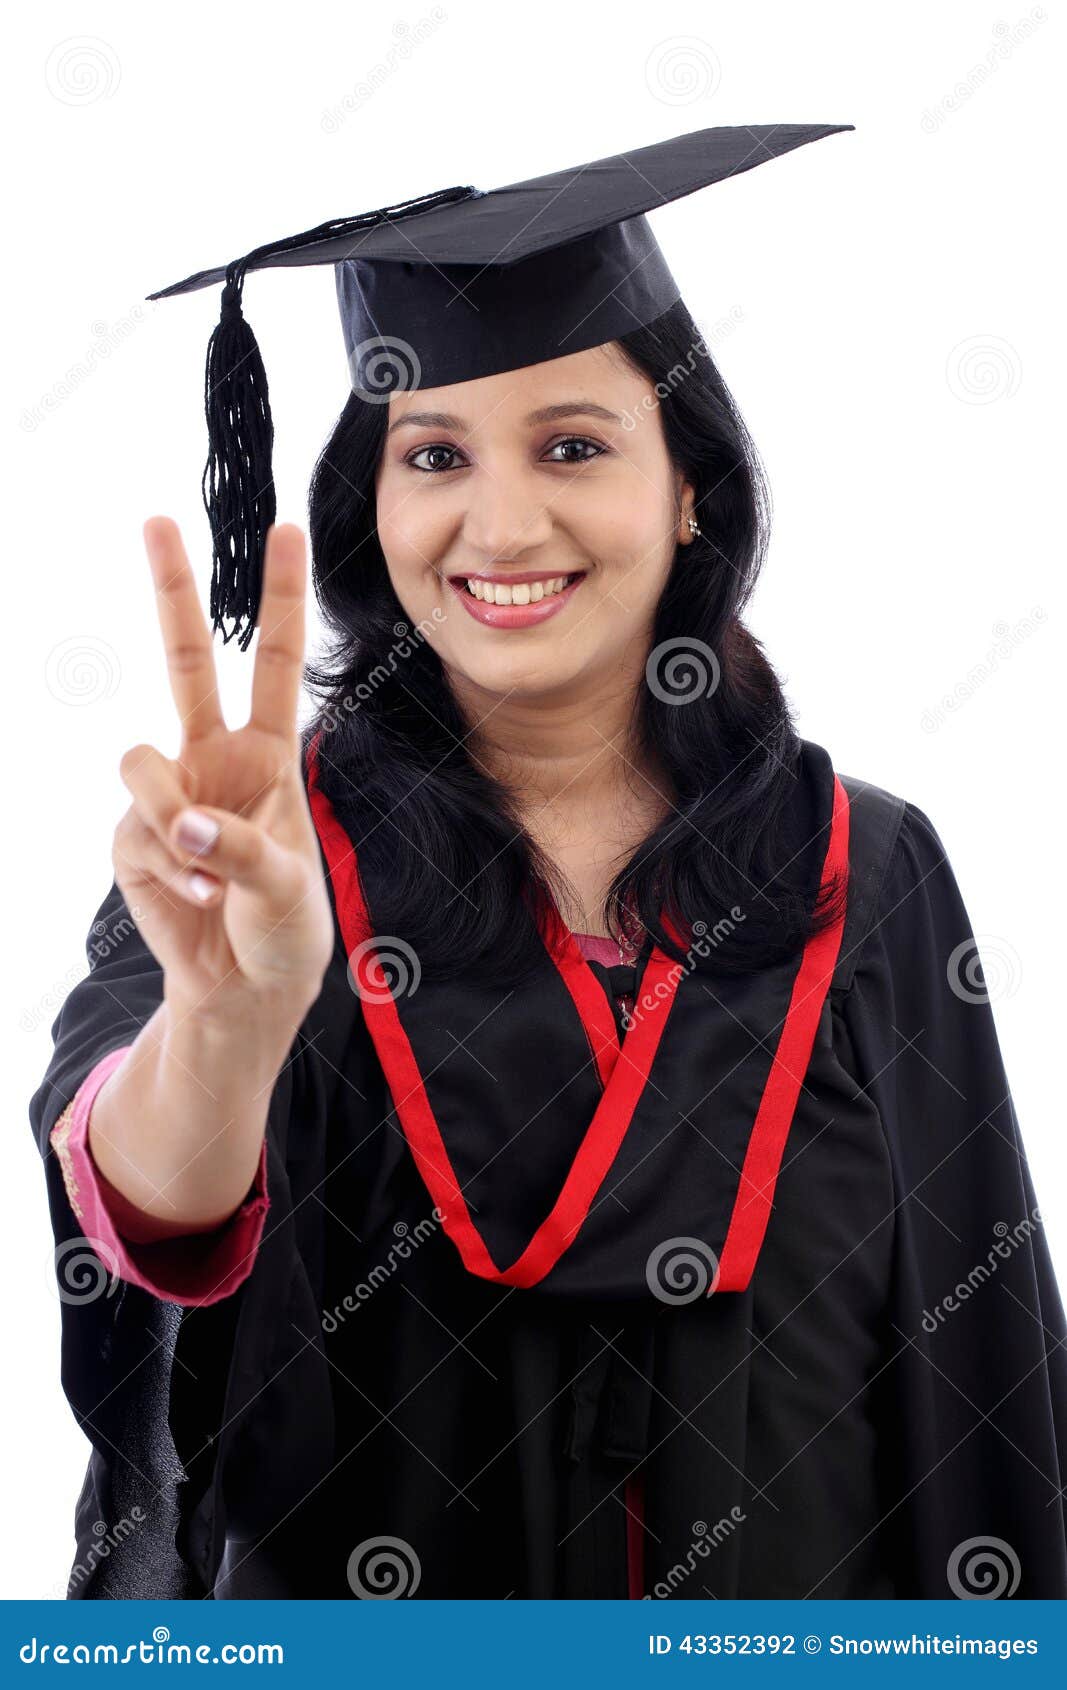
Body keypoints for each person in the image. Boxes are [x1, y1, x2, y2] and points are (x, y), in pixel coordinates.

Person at [30, 124, 1067, 1601]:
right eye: (434, 454)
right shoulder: (255, 867)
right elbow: (138, 1219)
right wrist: (222, 1029)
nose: (502, 523)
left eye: (573, 444)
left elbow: (983, 1382)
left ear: (689, 482)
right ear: (371, 506)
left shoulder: (865, 870)